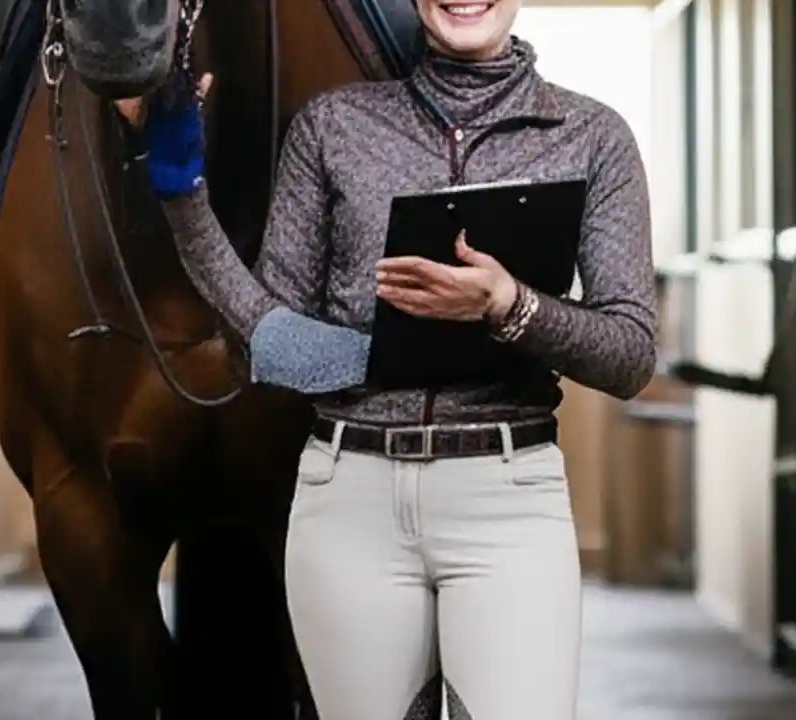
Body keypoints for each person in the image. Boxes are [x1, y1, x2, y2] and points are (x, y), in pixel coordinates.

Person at [133, 0, 656, 717]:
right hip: (349, 503)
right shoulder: (332, 126)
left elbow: (629, 356)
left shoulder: (593, 137)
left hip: (507, 504)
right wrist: (179, 190)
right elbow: (268, 342)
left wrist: (509, 304)